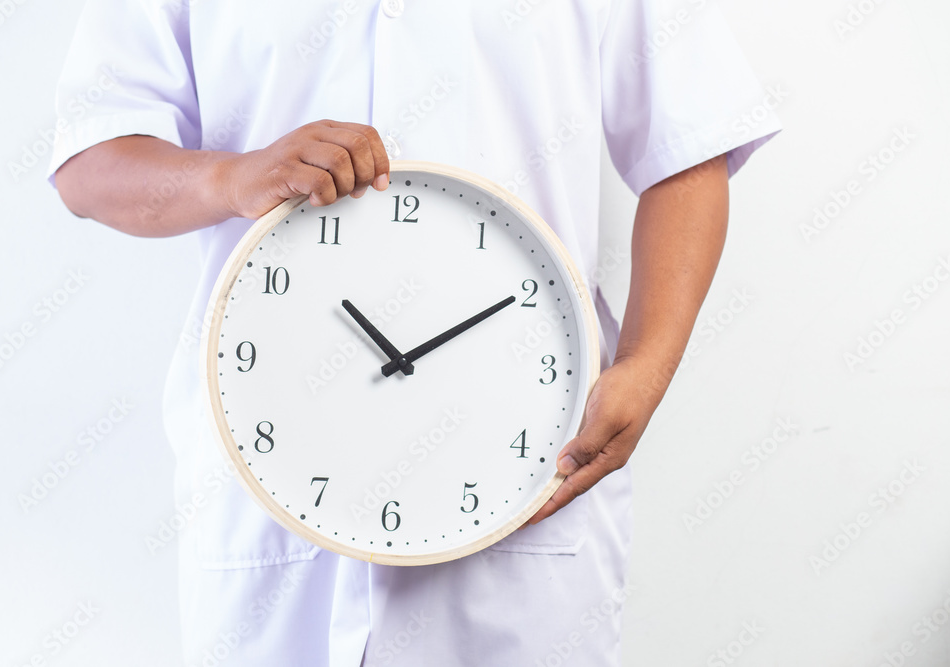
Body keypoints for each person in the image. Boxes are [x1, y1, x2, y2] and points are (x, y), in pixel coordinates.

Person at [49, 1, 780, 665]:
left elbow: (690, 146)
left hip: (522, 474)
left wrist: (647, 367)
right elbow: (90, 160)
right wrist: (231, 177)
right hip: (267, 469)